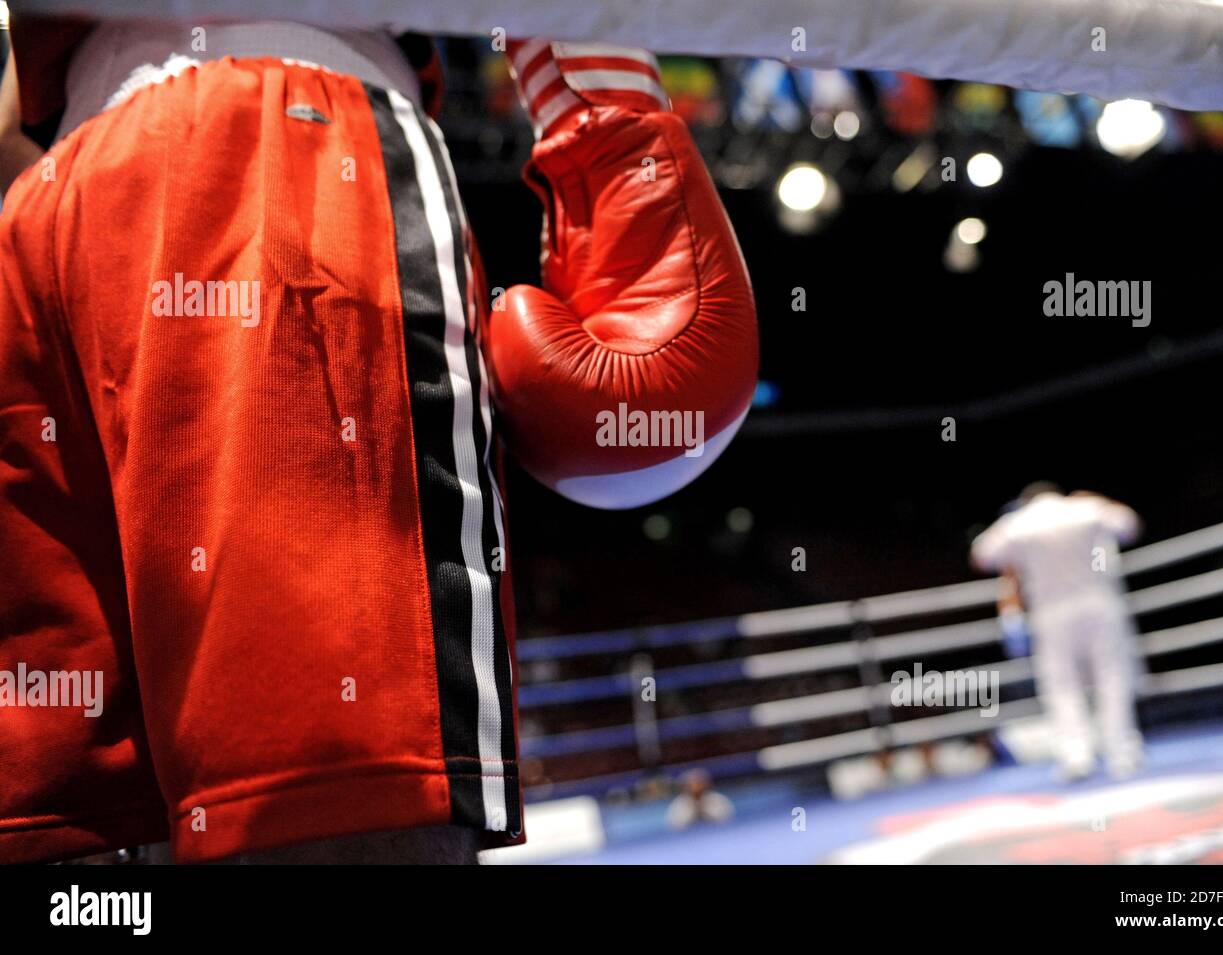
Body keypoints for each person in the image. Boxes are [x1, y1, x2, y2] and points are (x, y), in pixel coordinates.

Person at [0, 13, 757, 864]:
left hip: (46, 202)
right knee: (339, 809)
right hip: (280, 138)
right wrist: (615, 128)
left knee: (80, 848)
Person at [970, 483, 1145, 780]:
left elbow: (981, 555)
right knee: (1112, 677)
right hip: (1098, 604)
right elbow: (1130, 525)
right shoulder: (1084, 508)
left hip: (1051, 613)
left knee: (1062, 686)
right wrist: (1100, 500)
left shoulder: (1019, 523)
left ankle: (1076, 756)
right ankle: (1122, 753)